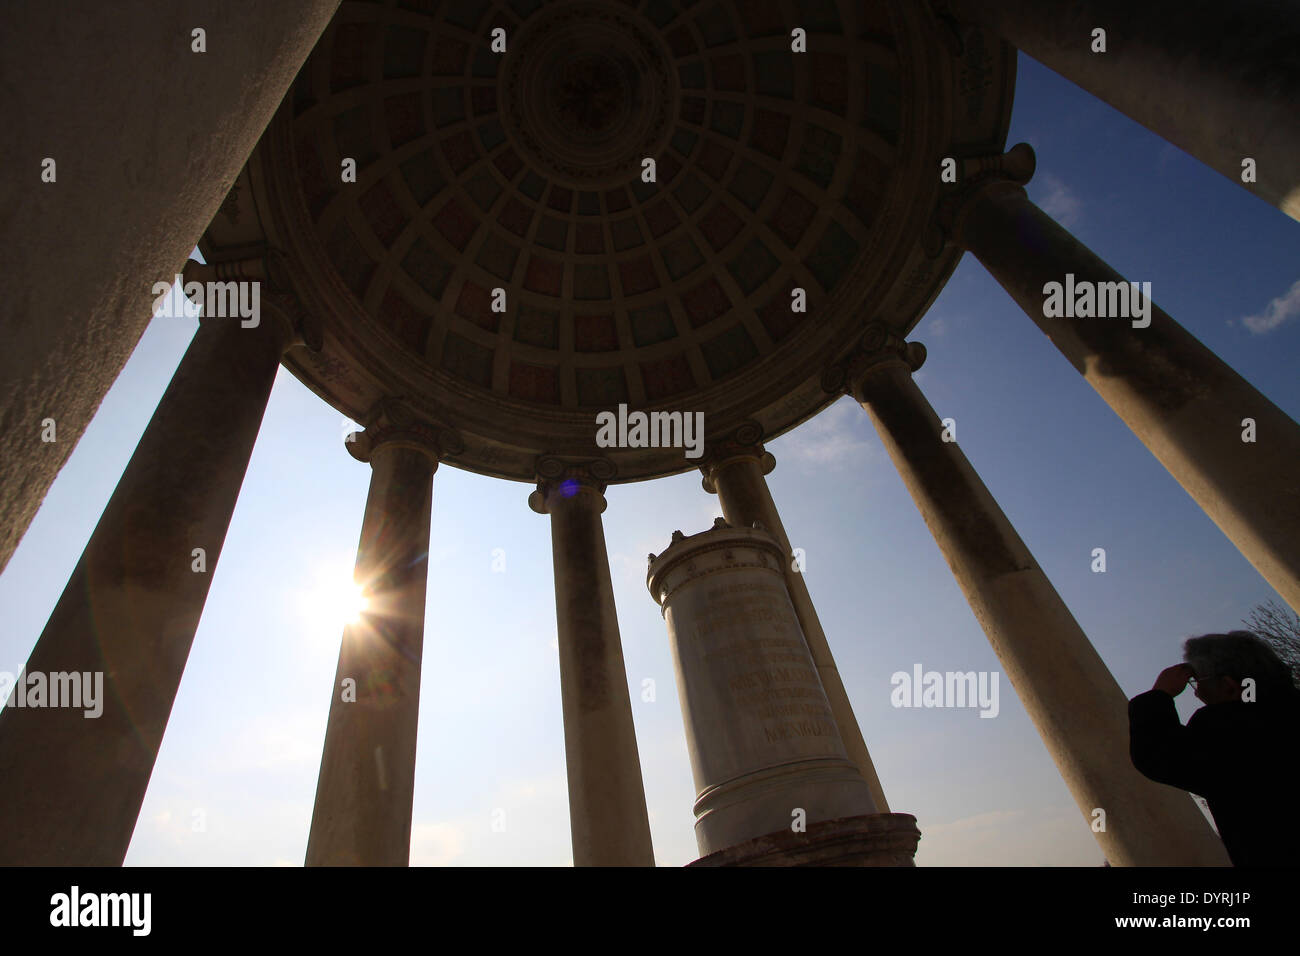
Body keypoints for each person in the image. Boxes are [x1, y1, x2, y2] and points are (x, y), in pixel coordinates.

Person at [1128, 630, 1300, 867]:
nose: (1197, 692)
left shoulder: (1231, 728)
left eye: (1198, 682)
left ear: (1229, 686)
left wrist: (1159, 695)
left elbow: (1157, 754)